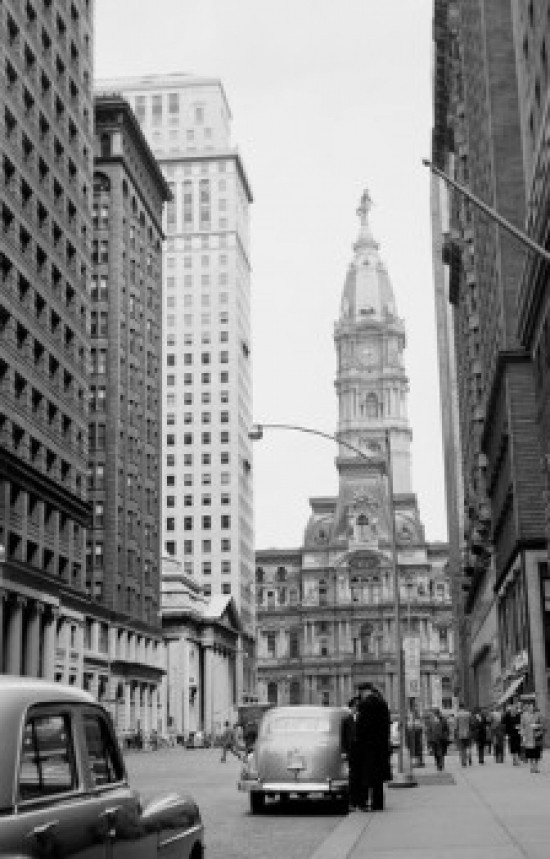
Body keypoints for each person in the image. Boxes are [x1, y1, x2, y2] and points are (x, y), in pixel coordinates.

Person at [355, 682, 391, 811]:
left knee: (365, 776)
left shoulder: (364, 705)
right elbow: (387, 725)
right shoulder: (383, 704)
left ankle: (363, 802)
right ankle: (378, 803)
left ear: (363, 692)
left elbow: (361, 727)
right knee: (378, 778)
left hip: (367, 746)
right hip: (381, 745)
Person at [342, 697, 360, 810]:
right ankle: (352, 802)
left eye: (357, 706)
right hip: (351, 752)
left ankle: (361, 801)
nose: (356, 708)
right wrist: (344, 751)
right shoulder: (346, 720)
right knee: (352, 777)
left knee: (362, 777)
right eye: (354, 706)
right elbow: (343, 737)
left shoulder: (363, 719)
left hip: (362, 752)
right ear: (351, 707)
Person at [520, 700, 544, 773]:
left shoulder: (538, 715)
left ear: (534, 707)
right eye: (529, 706)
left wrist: (537, 726)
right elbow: (522, 725)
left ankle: (536, 767)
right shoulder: (524, 715)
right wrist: (523, 734)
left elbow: (542, 724)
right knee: (530, 753)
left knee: (537, 752)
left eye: (532, 706)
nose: (531, 708)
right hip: (528, 737)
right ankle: (532, 766)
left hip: (537, 736)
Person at [504, 700, 522, 765]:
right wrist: (506, 734)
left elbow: (521, 723)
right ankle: (515, 759)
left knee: (518, 746)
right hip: (511, 733)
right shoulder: (507, 715)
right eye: (513, 708)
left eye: (515, 709)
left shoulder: (518, 715)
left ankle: (516, 759)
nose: (514, 710)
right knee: (512, 746)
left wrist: (520, 727)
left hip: (518, 733)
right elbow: (504, 724)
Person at [455, 702, 472, 766]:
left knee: (462, 748)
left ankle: (463, 761)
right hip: (468, 732)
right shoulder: (468, 714)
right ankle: (469, 756)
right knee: (468, 746)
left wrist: (456, 732)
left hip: (460, 733)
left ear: (459, 707)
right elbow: (471, 723)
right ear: (464, 707)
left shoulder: (457, 715)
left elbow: (456, 725)